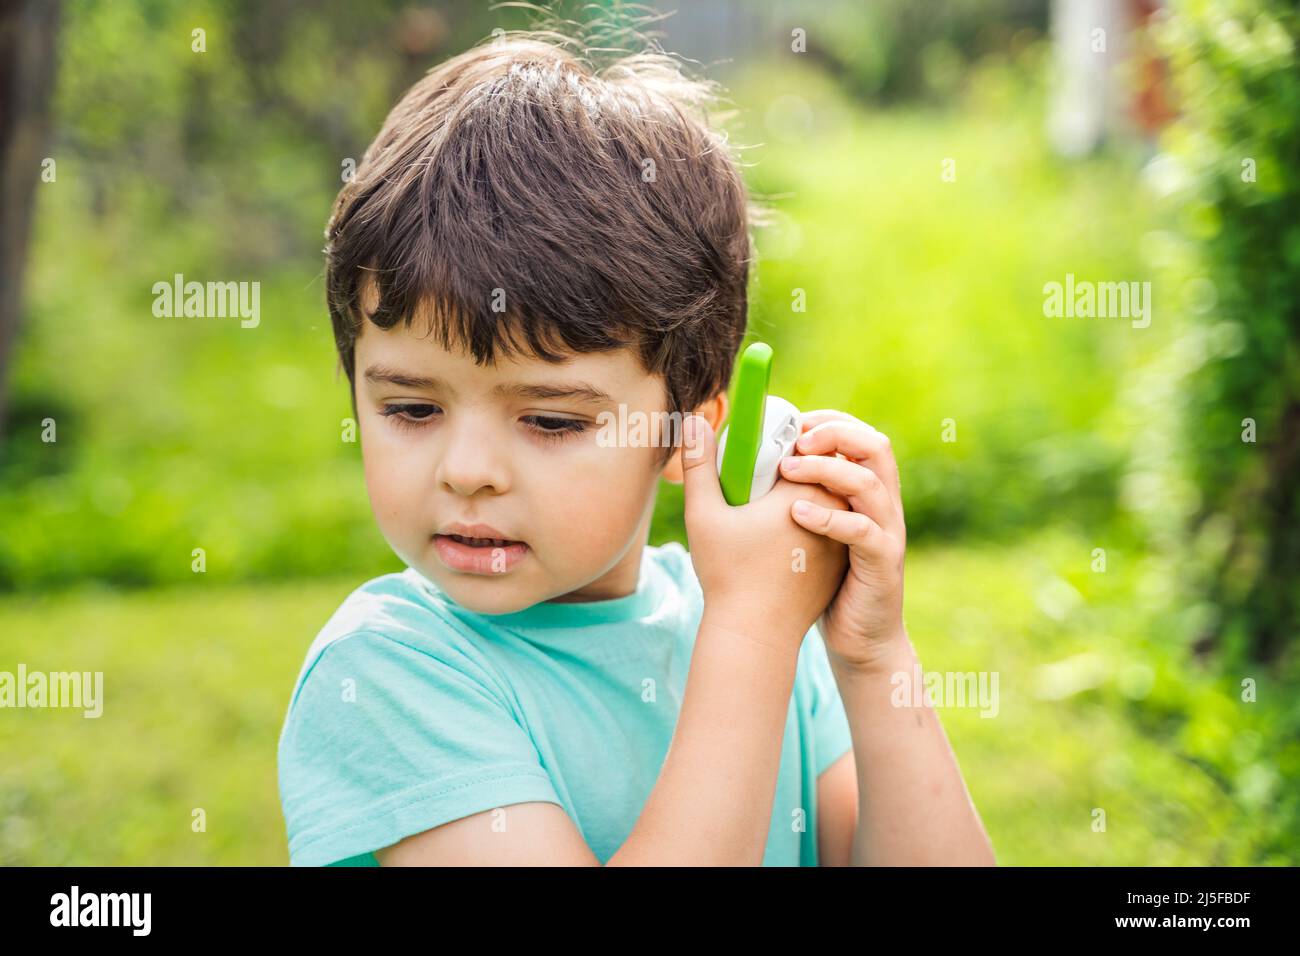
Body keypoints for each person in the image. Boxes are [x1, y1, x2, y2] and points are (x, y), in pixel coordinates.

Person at [276, 29, 995, 866]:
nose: (466, 472)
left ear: (691, 430)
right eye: (410, 407)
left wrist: (872, 659)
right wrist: (754, 633)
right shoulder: (385, 675)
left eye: (550, 421)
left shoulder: (749, 622)